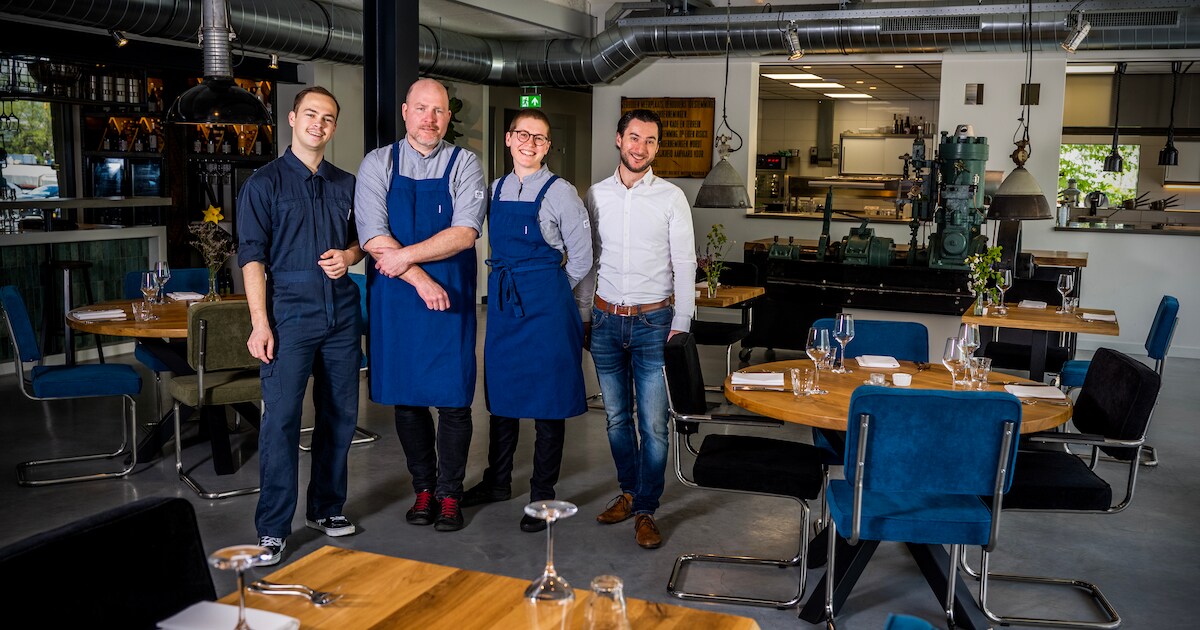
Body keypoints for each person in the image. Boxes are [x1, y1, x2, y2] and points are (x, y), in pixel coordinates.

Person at [238, 86, 364, 566]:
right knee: (282, 422)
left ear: (334, 127)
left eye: (328, 118)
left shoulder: (346, 183)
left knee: (340, 415)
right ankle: (272, 528)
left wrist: (349, 256)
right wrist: (259, 323)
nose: (319, 124)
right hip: (287, 314)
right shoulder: (264, 184)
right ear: (292, 119)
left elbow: (364, 241)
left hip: (340, 313)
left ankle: (326, 508)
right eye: (310, 114)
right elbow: (251, 256)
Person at [354, 78, 486, 532]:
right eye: (422, 109)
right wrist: (418, 278)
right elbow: (372, 233)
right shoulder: (378, 163)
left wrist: (406, 257)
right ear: (406, 112)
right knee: (406, 401)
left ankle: (451, 494)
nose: (430, 119)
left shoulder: (465, 162)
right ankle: (424, 490)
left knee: (453, 400)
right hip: (398, 299)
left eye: (440, 111)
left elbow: (465, 232)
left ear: (448, 117)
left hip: (449, 296)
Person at [459, 110, 592, 532]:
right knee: (503, 395)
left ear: (548, 146)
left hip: (548, 306)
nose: (530, 143)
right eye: (523, 135)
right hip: (503, 304)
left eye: (540, 137)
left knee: (548, 402)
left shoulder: (561, 193)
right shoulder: (493, 190)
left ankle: (541, 495)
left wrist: (550, 287)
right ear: (508, 139)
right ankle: (496, 482)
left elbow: (583, 258)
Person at [579, 108, 696, 549]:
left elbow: (684, 263)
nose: (640, 147)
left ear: (657, 148)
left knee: (653, 424)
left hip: (654, 323)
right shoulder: (596, 194)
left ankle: (647, 508)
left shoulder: (671, 198)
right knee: (614, 420)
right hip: (606, 320)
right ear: (618, 139)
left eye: (649, 141)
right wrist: (585, 313)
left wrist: (680, 323)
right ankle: (628, 492)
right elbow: (589, 259)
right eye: (633, 137)